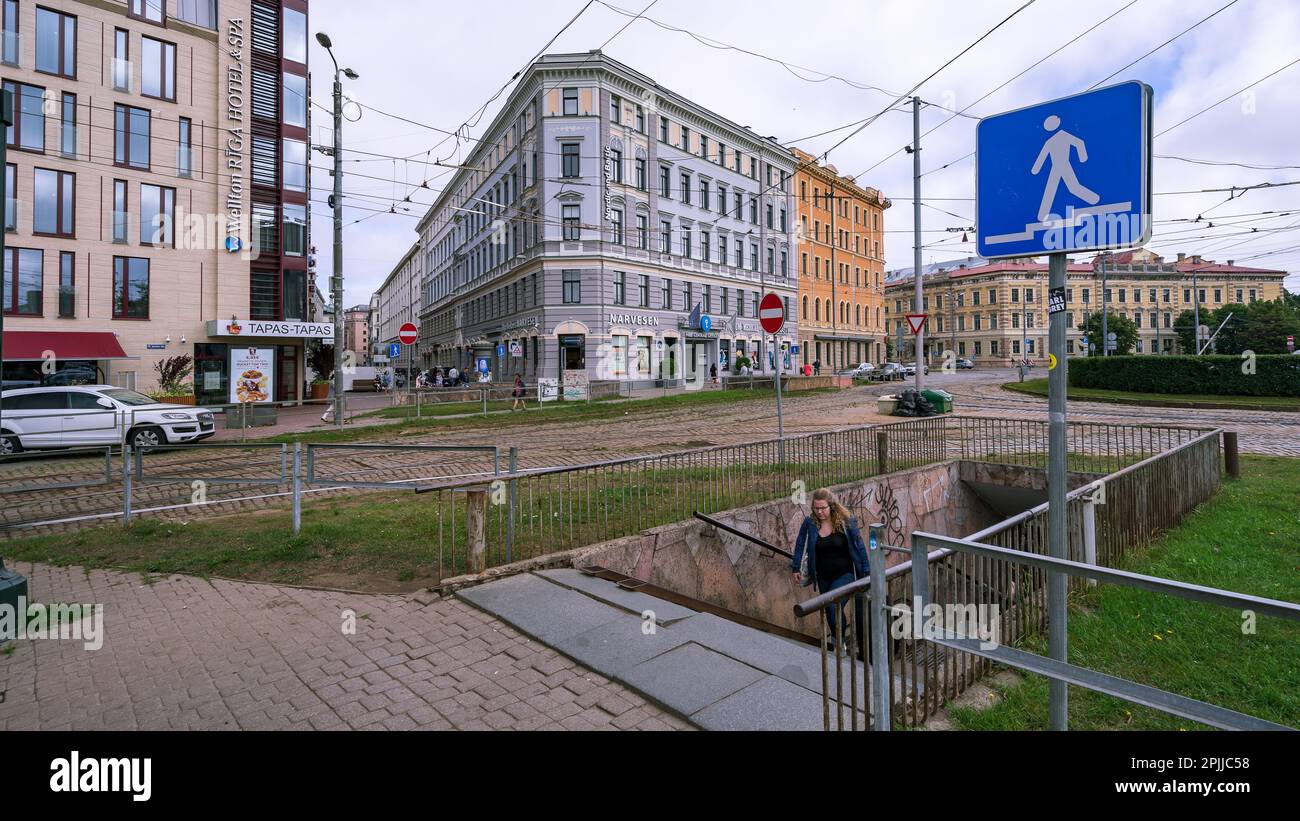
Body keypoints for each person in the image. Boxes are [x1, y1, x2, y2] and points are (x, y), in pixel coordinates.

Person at [790, 488, 870, 654]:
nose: (820, 512)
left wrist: (867, 571)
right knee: (830, 613)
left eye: (823, 508)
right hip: (823, 577)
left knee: (833, 608)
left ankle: (839, 645)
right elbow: (800, 543)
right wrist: (796, 566)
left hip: (845, 575)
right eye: (816, 508)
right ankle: (838, 641)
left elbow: (859, 546)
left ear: (831, 506)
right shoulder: (810, 523)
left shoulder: (845, 521)